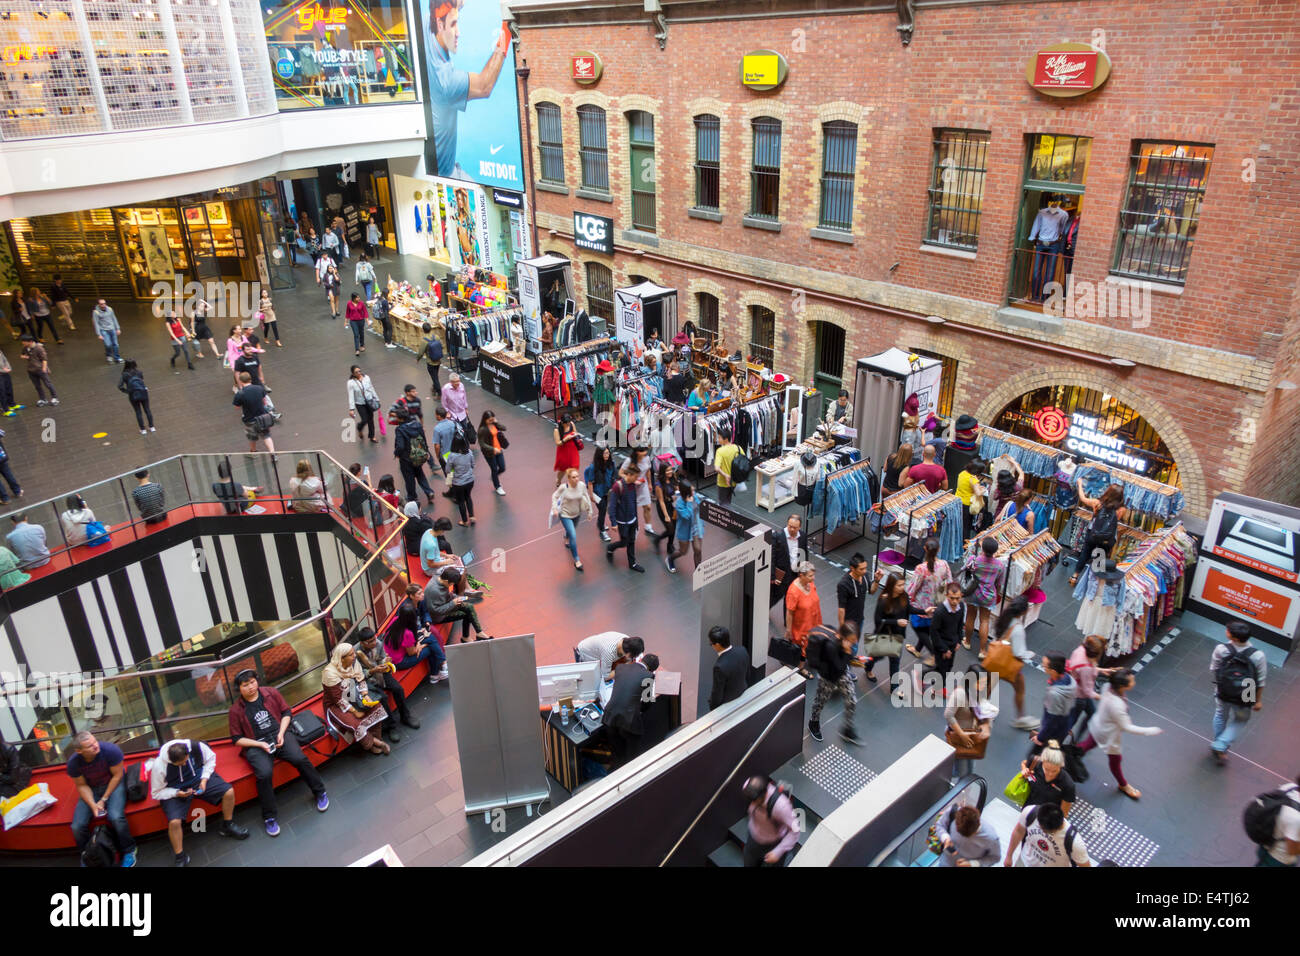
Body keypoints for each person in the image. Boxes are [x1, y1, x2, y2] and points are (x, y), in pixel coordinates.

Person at [228, 670, 329, 836]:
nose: (251, 687)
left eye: (252, 682)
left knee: (299, 758)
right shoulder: (235, 711)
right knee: (264, 774)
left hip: (279, 733)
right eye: (245, 685)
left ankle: (320, 792)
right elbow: (236, 739)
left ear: (257, 681)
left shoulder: (270, 692)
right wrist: (259, 744)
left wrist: (281, 733)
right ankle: (269, 816)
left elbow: (286, 712)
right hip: (256, 743)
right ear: (239, 689)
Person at [424, 0, 510, 179]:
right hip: (446, 176)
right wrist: (507, 28)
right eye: (453, 25)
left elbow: (450, 5)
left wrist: (456, 5)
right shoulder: (445, 81)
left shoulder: (427, 23)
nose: (459, 33)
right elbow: (484, 86)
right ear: (440, 25)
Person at [150, 738, 248, 865]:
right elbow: (156, 792)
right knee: (174, 822)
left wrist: (204, 779)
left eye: (185, 761)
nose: (184, 765)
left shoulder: (196, 746)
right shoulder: (159, 766)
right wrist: (176, 793)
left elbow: (211, 759)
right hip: (175, 788)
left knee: (228, 792)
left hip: (198, 778)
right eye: (180, 764)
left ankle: (227, 825)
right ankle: (180, 856)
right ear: (172, 761)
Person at [1076, 668, 1162, 800]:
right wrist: (1149, 731)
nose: (1134, 681)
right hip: (1108, 734)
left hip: (1098, 725)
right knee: (1115, 760)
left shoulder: (1108, 687)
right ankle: (1123, 785)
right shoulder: (1117, 705)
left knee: (1086, 745)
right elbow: (1126, 727)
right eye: (1131, 680)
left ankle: (1065, 756)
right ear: (1122, 686)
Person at [66, 731, 137, 866]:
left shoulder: (111, 751)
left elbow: (117, 776)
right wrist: (93, 805)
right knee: (77, 826)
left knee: (116, 817)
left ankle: (129, 849)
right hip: (91, 788)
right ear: (79, 751)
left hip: (114, 783)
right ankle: (87, 854)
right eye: (89, 746)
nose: (95, 746)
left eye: (95, 742)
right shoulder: (74, 763)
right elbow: (81, 785)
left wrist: (103, 799)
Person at [1209, 620, 1268, 765]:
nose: (1226, 631)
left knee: (1221, 714)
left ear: (1233, 637)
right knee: (1241, 719)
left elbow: (1214, 669)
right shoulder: (1258, 655)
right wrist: (1258, 700)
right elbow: (1260, 681)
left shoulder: (1221, 649)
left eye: (1228, 630)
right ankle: (1221, 744)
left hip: (1223, 691)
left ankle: (1219, 745)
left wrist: (1222, 685)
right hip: (1245, 695)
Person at [356, 627, 423, 744]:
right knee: (383, 698)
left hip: (381, 673)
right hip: (367, 679)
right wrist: (372, 671)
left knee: (398, 689)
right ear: (362, 643)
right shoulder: (355, 652)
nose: (374, 643)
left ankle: (405, 716)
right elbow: (357, 675)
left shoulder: (378, 643)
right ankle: (391, 726)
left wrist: (386, 663)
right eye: (370, 642)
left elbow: (382, 659)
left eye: (374, 639)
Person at [322, 642, 390, 755]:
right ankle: (375, 744)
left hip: (352, 693)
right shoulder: (329, 673)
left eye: (353, 653)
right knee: (355, 724)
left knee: (376, 707)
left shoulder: (353, 662)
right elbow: (337, 698)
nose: (354, 656)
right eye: (350, 655)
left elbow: (360, 679)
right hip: (336, 704)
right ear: (341, 658)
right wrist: (354, 711)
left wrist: (365, 695)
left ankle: (377, 739)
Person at [808, 622, 863, 744]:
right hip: (828, 677)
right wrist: (848, 653)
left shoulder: (845, 643)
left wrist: (849, 656)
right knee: (820, 702)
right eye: (852, 639)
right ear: (844, 636)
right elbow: (839, 666)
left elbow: (843, 666)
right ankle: (813, 722)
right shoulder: (830, 646)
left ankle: (847, 729)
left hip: (841, 674)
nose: (854, 642)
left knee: (852, 700)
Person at [1070, 482, 1129, 586]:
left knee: (1085, 553)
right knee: (1100, 557)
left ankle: (1075, 576)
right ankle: (1094, 581)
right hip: (1107, 537)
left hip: (1093, 533)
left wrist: (1080, 484)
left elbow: (1082, 498)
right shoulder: (1121, 509)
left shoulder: (1097, 503)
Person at [993, 596, 1038, 729]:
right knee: (1020, 690)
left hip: (996, 659)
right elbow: (1019, 653)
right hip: (1009, 664)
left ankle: (981, 710)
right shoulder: (1018, 629)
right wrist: (1030, 654)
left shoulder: (1003, 620)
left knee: (989, 687)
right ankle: (1021, 718)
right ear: (1024, 611)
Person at [602, 651, 653, 766]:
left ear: (641, 660)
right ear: (651, 670)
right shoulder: (648, 676)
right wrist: (639, 708)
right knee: (633, 756)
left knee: (618, 753)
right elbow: (647, 702)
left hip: (610, 717)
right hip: (629, 722)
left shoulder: (621, 668)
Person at [863, 572, 915, 685]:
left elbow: (909, 608)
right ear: (892, 586)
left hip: (897, 637)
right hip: (884, 636)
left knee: (895, 662)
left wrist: (925, 612)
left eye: (903, 584)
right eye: (899, 585)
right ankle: (868, 667)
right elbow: (878, 621)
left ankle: (894, 687)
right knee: (877, 657)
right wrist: (897, 622)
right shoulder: (884, 600)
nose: (902, 588)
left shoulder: (904, 596)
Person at [1004, 801, 1090, 868]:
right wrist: (1009, 856)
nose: (1041, 830)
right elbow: (1019, 831)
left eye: (1044, 830)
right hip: (1025, 862)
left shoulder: (1074, 842)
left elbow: (1085, 865)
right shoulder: (1030, 812)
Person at [741, 774, 799, 867]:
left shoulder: (781, 806)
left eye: (754, 800)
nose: (752, 803)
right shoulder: (750, 795)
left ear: (763, 794)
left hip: (774, 844)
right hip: (754, 839)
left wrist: (778, 851)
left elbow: (795, 830)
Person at [962, 536, 1005, 656]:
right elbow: (999, 584)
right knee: (984, 621)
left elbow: (965, 570)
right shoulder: (999, 565)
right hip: (988, 595)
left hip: (972, 592)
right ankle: (982, 650)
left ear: (982, 548)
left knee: (970, 616)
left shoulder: (974, 559)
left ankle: (967, 641)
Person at [944, 677, 994, 781]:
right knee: (961, 771)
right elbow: (948, 715)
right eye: (981, 682)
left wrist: (986, 725)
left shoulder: (980, 694)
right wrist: (962, 735)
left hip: (972, 736)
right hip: (958, 737)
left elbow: (984, 712)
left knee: (970, 769)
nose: (983, 685)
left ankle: (961, 790)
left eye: (985, 683)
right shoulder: (960, 694)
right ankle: (941, 779)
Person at [383, 601, 448, 679]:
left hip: (391, 653)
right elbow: (411, 653)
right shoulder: (407, 633)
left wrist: (419, 641)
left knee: (430, 638)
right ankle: (436, 672)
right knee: (430, 646)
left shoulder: (395, 620)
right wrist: (423, 645)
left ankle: (440, 667)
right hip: (399, 662)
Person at [1029, 653, 1077, 752]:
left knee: (1036, 756)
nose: (1042, 666)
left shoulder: (1054, 694)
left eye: (1044, 665)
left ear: (1053, 671)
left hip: (1051, 733)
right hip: (1064, 725)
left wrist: (1040, 738)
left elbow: (1052, 720)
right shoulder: (1070, 680)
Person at [425, 567, 487, 643]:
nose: (452, 585)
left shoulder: (440, 577)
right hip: (438, 616)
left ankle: (479, 632)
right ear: (446, 581)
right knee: (466, 614)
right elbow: (435, 611)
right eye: (452, 583)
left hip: (446, 603)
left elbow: (447, 595)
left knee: (469, 607)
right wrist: (453, 603)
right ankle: (466, 637)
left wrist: (456, 598)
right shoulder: (434, 590)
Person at [1066, 634, 1110, 738]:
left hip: (1073, 688)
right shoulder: (1087, 667)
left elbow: (1081, 668)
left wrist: (1102, 670)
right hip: (1079, 696)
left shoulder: (1080, 650)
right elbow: (1087, 691)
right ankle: (1055, 744)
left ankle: (1076, 739)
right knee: (1069, 723)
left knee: (1092, 713)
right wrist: (1104, 698)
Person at [552, 466, 594, 571]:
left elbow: (587, 497)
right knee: (573, 536)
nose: (577, 479)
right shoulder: (563, 487)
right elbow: (554, 496)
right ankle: (577, 560)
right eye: (574, 477)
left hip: (577, 514)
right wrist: (555, 509)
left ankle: (566, 537)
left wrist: (590, 511)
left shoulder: (582, 485)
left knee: (571, 531)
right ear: (569, 478)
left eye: (577, 476)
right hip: (565, 514)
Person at [1019, 740, 1076, 815]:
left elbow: (1063, 813)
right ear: (1042, 761)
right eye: (1046, 769)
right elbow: (1024, 763)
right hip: (1028, 810)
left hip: (1046, 819)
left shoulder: (1068, 785)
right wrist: (1024, 770)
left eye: (1054, 771)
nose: (1050, 774)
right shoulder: (1035, 762)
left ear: (1061, 766)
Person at [1254, 776, 1300, 867]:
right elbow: (1292, 850)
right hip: (1279, 860)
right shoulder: (1297, 818)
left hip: (1266, 846)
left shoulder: (1289, 787)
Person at [393, 407, 436, 505]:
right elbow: (423, 438)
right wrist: (426, 451)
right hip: (418, 455)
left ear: (400, 418)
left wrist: (396, 454)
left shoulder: (400, 429)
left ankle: (412, 497)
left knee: (409, 478)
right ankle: (429, 492)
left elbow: (400, 446)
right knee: (420, 474)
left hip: (406, 458)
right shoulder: (417, 424)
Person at [605, 466, 645, 572]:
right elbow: (612, 506)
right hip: (622, 521)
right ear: (629, 475)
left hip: (632, 519)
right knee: (624, 542)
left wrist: (636, 519)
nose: (637, 479)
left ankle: (632, 563)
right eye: (635, 476)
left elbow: (633, 501)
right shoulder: (617, 486)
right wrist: (613, 522)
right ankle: (610, 548)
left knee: (631, 541)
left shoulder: (632, 485)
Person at [934, 803, 1000, 867]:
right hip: (945, 862)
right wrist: (945, 838)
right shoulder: (952, 812)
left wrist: (973, 864)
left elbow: (995, 857)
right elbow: (940, 825)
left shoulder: (991, 838)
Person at [929, 582, 965, 693]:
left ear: (961, 596)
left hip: (953, 643)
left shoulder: (961, 607)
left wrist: (959, 640)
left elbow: (960, 624)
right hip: (941, 644)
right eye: (952, 598)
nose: (954, 601)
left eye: (957, 598)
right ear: (946, 596)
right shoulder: (940, 612)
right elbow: (934, 632)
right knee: (943, 668)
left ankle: (929, 676)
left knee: (949, 666)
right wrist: (944, 649)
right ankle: (936, 688)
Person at [667, 477, 704, 573]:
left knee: (698, 550)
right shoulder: (679, 503)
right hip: (685, 530)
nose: (694, 490)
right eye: (691, 490)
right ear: (686, 492)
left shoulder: (693, 495)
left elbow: (699, 505)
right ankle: (670, 559)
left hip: (695, 527)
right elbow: (687, 516)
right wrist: (689, 502)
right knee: (683, 551)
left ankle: (698, 573)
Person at [708, 625, 750, 710]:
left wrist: (712, 709)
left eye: (711, 643)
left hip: (728, 704)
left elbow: (717, 695)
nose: (711, 646)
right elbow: (747, 673)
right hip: (743, 691)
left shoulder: (719, 667)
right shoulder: (742, 650)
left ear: (717, 645)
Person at [770, 514, 807, 609]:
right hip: (781, 573)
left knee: (790, 598)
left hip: (795, 573)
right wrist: (772, 575)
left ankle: (787, 622)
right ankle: (764, 611)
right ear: (787, 524)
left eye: (795, 527)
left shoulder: (803, 536)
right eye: (790, 526)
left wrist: (803, 571)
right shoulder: (778, 536)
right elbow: (772, 556)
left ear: (799, 527)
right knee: (775, 596)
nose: (791, 529)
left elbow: (804, 553)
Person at [233, 371, 276, 452]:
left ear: (241, 381)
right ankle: (272, 453)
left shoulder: (240, 393)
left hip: (249, 419)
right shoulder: (259, 388)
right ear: (250, 379)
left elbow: (236, 406)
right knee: (266, 436)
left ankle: (253, 451)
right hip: (262, 417)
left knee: (252, 437)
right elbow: (264, 401)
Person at [784, 561, 821, 652]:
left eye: (813, 575)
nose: (813, 578)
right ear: (801, 575)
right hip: (802, 630)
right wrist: (788, 630)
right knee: (802, 654)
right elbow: (789, 613)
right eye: (810, 576)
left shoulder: (810, 584)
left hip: (815, 624)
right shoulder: (793, 592)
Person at [585, 444, 618, 543]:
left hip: (608, 492)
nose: (607, 455)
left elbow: (615, 476)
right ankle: (602, 530)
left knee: (603, 510)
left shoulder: (611, 464)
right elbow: (590, 483)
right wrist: (591, 496)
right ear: (600, 454)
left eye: (608, 453)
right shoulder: (593, 467)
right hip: (598, 493)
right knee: (603, 510)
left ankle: (600, 524)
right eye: (604, 453)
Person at [648, 458, 678, 558]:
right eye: (667, 470)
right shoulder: (658, 485)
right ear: (663, 472)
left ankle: (670, 545)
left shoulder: (673, 478)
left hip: (673, 506)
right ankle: (657, 540)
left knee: (674, 527)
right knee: (670, 529)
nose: (670, 472)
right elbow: (661, 501)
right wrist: (666, 515)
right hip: (664, 507)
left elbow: (677, 490)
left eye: (671, 469)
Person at [446, 432, 477, 526]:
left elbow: (447, 470)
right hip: (470, 480)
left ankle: (464, 521)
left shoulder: (451, 455)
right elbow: (473, 465)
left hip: (458, 483)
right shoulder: (469, 452)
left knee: (461, 501)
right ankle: (472, 517)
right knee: (468, 497)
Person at [118, 359, 155, 434]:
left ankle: (143, 429)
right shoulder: (139, 372)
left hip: (133, 395)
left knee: (138, 412)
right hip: (143, 392)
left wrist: (127, 391)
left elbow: (119, 386)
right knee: (147, 410)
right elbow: (141, 382)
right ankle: (152, 427)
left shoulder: (124, 374)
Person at [346, 364, 381, 444]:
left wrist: (377, 398)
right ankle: (359, 428)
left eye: (359, 371)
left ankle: (372, 436)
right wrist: (351, 409)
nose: (359, 373)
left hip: (369, 401)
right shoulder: (351, 383)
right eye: (356, 372)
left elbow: (371, 388)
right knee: (364, 419)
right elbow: (351, 396)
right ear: (353, 374)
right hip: (360, 403)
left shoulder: (367, 378)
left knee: (371, 419)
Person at [955, 457, 988, 539]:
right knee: (966, 525)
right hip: (967, 504)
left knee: (959, 522)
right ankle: (964, 543)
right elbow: (978, 493)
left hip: (957, 500)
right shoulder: (973, 479)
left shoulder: (962, 473)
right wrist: (983, 490)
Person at [20, 335, 58, 406]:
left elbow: (44, 359)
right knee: (37, 386)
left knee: (48, 384)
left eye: (24, 342)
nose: (23, 343)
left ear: (30, 342)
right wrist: (25, 357)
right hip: (31, 370)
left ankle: (55, 397)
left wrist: (44, 369)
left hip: (40, 370)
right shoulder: (25, 348)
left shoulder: (39, 348)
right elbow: (21, 355)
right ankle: (43, 399)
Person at [477, 410, 508, 496]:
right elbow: (482, 444)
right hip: (489, 453)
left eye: (492, 419)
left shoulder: (494, 424)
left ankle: (494, 477)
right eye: (489, 420)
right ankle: (497, 486)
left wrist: (496, 422)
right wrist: (492, 449)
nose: (491, 421)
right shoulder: (482, 430)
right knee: (494, 469)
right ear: (485, 419)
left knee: (502, 467)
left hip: (498, 449)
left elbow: (504, 428)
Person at [553, 414, 582, 486]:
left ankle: (572, 482)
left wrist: (578, 437)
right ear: (562, 423)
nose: (568, 424)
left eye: (569, 422)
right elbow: (558, 443)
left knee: (575, 466)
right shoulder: (557, 430)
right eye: (567, 423)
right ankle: (558, 480)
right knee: (563, 468)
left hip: (573, 449)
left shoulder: (572, 424)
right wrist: (565, 439)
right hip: (563, 450)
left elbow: (575, 432)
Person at [91, 299, 122, 363]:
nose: (103, 305)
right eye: (101, 304)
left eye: (104, 303)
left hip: (112, 328)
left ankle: (117, 357)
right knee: (108, 344)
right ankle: (109, 356)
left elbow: (114, 318)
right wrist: (99, 334)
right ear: (99, 304)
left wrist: (118, 328)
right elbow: (96, 323)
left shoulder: (110, 309)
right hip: (104, 330)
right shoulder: (96, 312)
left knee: (115, 344)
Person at [431, 404, 458, 479]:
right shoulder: (452, 423)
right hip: (455, 451)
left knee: (449, 474)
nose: (435, 416)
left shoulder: (437, 429)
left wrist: (437, 456)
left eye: (436, 415)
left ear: (439, 416)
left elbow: (437, 445)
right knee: (456, 471)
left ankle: (452, 488)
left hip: (446, 454)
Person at [713, 430, 740, 504]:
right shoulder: (737, 448)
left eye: (719, 438)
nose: (718, 440)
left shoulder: (720, 451)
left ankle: (729, 515)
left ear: (726, 439)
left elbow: (716, 468)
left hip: (723, 482)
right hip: (733, 481)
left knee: (723, 504)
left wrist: (725, 475)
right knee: (728, 500)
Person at [417, 322, 444, 394]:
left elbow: (420, 353)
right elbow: (442, 346)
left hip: (430, 362)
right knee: (435, 375)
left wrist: (418, 359)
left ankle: (439, 392)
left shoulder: (424, 341)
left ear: (423, 330)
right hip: (438, 360)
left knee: (434, 378)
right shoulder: (436, 337)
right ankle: (435, 387)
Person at [0, 430, 23, 503]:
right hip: (1, 457)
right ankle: (17, 491)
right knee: (8, 473)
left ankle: (5, 498)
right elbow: (2, 433)